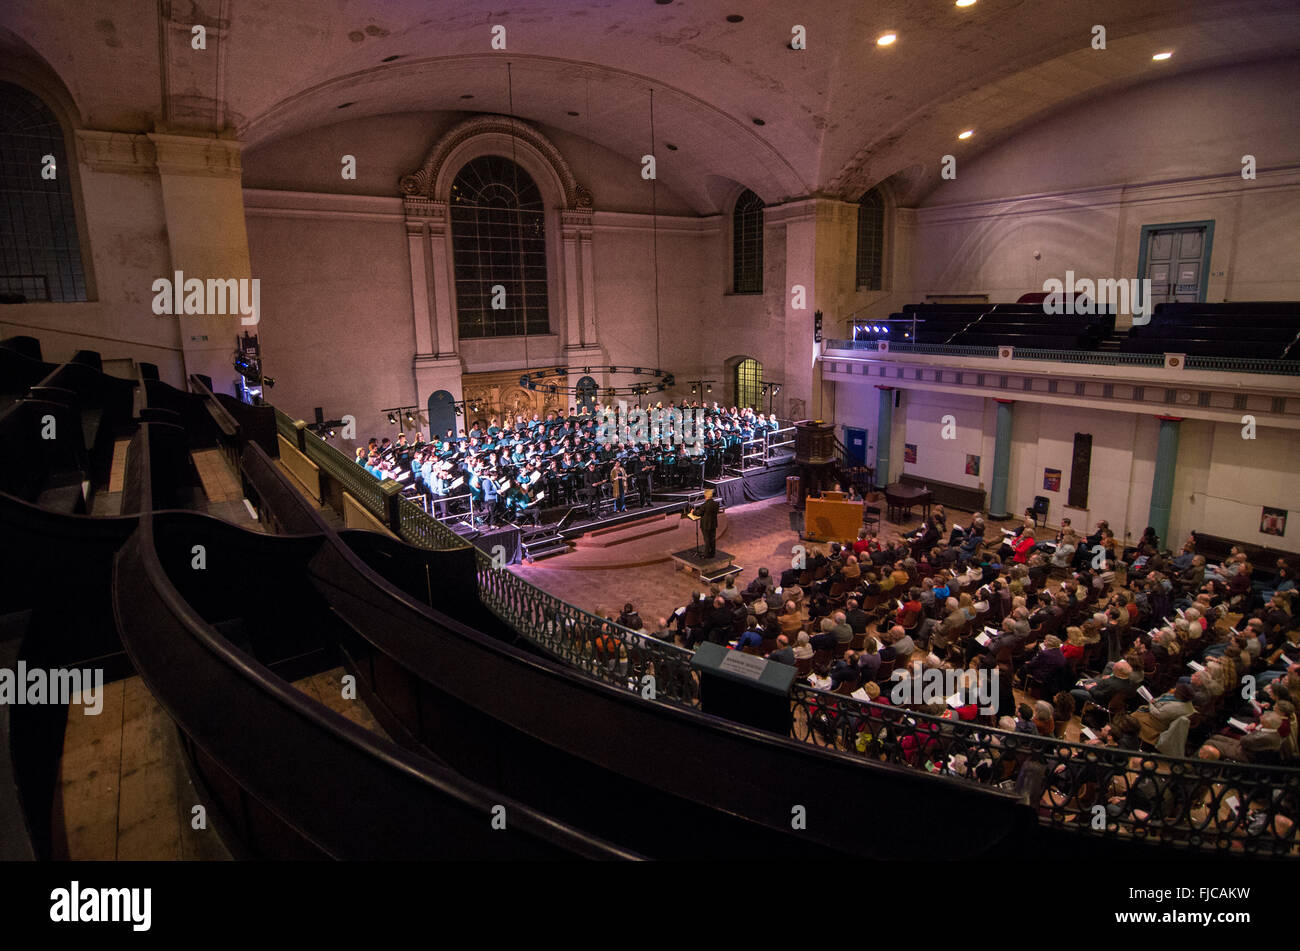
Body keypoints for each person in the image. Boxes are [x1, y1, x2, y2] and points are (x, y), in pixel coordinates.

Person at [692, 487, 720, 557]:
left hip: (706, 525)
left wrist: (693, 512)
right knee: (712, 539)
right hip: (713, 524)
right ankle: (712, 553)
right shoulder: (716, 504)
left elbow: (699, 513)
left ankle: (707, 554)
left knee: (707, 539)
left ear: (705, 496)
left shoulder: (704, 505)